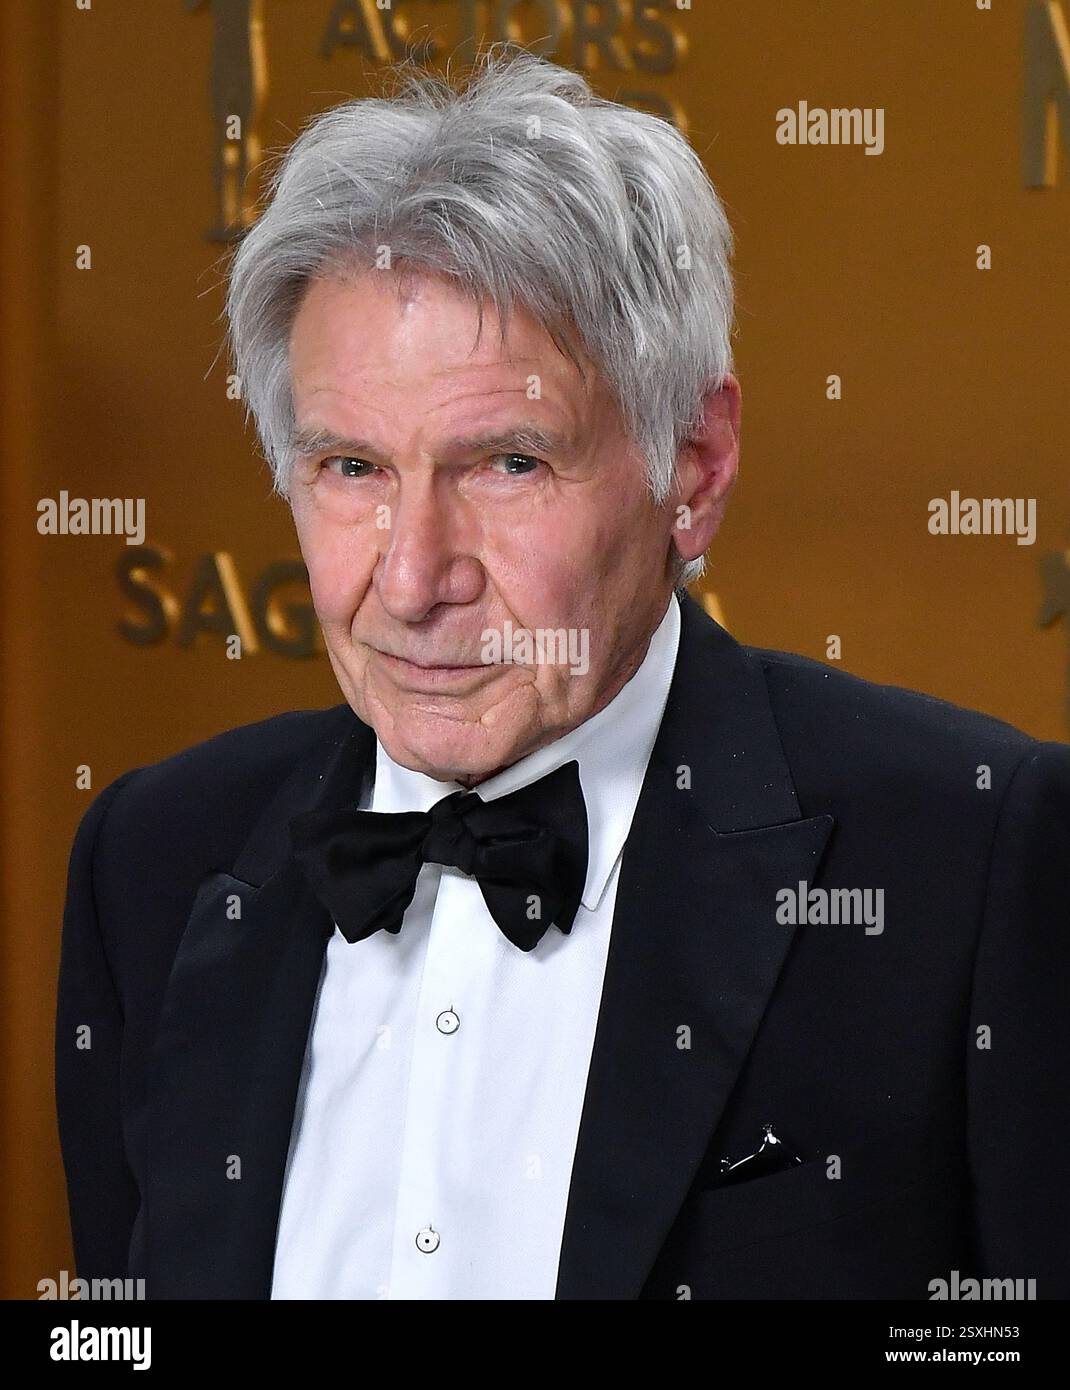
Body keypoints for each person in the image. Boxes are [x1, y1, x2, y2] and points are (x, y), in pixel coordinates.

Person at [55, 46, 1070, 1301]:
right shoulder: (150, 861)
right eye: (352, 469)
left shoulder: (969, 855)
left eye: (507, 464)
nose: (414, 579)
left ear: (691, 467)